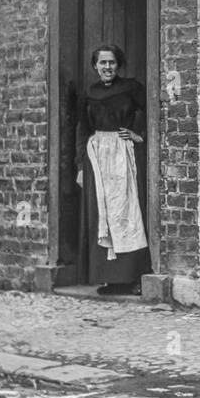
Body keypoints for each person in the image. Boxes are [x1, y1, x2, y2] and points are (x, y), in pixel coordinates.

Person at [76, 44, 150, 295]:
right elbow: (81, 128)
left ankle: (132, 277)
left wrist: (137, 133)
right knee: (102, 214)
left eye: (112, 63)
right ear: (94, 66)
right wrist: (80, 166)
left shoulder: (131, 88)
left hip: (122, 153)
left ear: (118, 65)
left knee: (126, 212)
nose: (107, 67)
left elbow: (148, 113)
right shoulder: (89, 92)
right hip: (96, 156)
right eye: (102, 63)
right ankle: (109, 278)